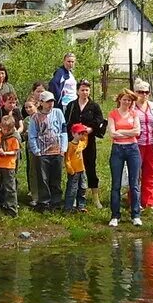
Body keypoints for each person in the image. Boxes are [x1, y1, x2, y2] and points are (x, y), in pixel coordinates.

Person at [64, 78, 105, 207]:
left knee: (90, 167)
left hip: (89, 142)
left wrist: (91, 128)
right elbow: (67, 122)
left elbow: (99, 120)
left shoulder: (94, 106)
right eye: (82, 90)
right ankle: (74, 196)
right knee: (74, 168)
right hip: (74, 142)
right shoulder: (71, 105)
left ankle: (95, 197)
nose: (85, 92)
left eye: (87, 90)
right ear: (77, 91)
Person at [107, 89, 142, 227]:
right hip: (117, 149)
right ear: (119, 100)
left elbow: (137, 131)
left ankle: (136, 215)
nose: (127, 102)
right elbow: (112, 133)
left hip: (133, 149)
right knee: (116, 184)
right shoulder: (113, 114)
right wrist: (127, 133)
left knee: (134, 184)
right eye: (124, 99)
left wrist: (121, 131)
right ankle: (115, 215)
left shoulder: (134, 113)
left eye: (129, 100)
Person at [28, 90, 67, 211]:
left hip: (57, 151)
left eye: (52, 101)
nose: (50, 104)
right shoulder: (35, 117)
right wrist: (36, 151)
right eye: (48, 102)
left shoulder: (58, 113)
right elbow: (32, 135)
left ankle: (56, 201)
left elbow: (63, 131)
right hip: (42, 152)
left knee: (56, 177)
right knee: (43, 178)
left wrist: (63, 148)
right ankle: (44, 202)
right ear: (41, 103)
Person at [132, 79, 153, 210]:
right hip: (135, 144)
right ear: (135, 92)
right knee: (135, 173)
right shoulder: (131, 106)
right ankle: (134, 201)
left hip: (150, 143)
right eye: (140, 92)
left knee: (150, 173)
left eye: (146, 92)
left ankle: (150, 202)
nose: (144, 95)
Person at [0, 116, 21, 217]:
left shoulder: (14, 137)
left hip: (8, 166)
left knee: (10, 188)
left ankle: (12, 210)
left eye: (8, 129)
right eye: (3, 129)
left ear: (12, 128)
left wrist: (6, 153)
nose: (5, 131)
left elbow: (16, 151)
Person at [64, 123, 90, 213]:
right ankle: (68, 207)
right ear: (73, 134)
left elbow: (85, 142)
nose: (81, 136)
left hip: (81, 169)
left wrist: (86, 133)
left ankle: (81, 206)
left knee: (83, 187)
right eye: (79, 134)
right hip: (74, 171)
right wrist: (70, 169)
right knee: (72, 189)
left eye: (82, 134)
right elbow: (67, 159)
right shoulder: (70, 145)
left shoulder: (80, 144)